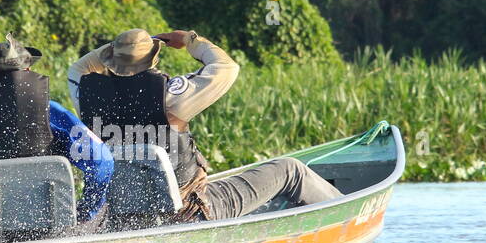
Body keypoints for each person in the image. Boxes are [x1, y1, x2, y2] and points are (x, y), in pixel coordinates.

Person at [68, 28, 339, 222]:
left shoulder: (87, 94)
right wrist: (190, 40)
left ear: (110, 58)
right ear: (154, 57)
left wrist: (118, 47)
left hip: (128, 216)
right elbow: (227, 67)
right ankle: (344, 213)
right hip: (190, 213)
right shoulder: (171, 96)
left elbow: (78, 68)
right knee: (290, 169)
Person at [0, 35, 113, 222]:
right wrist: (85, 213)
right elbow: (103, 162)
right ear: (26, 71)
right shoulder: (48, 110)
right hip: (54, 221)